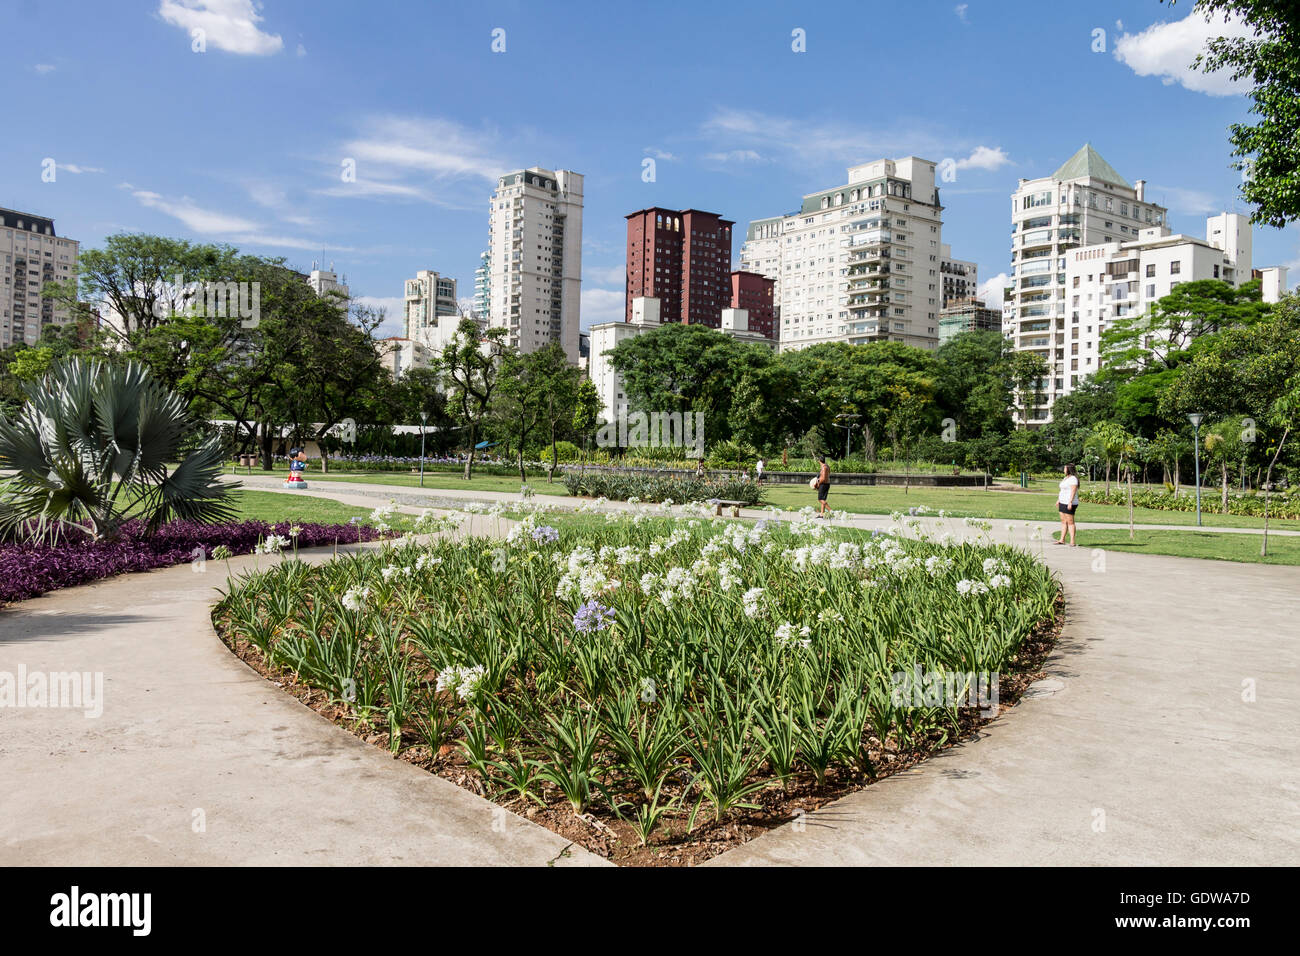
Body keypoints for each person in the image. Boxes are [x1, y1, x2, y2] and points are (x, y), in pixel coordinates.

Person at [1056, 463, 1079, 546]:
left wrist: (1070, 502)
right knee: (1063, 521)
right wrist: (1059, 500)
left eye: (1065, 468)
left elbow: (1073, 491)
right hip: (1062, 501)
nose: (1064, 470)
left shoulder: (1073, 479)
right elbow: (1063, 490)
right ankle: (1062, 539)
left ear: (1069, 469)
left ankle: (1072, 541)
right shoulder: (1066, 478)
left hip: (1069, 503)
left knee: (1070, 522)